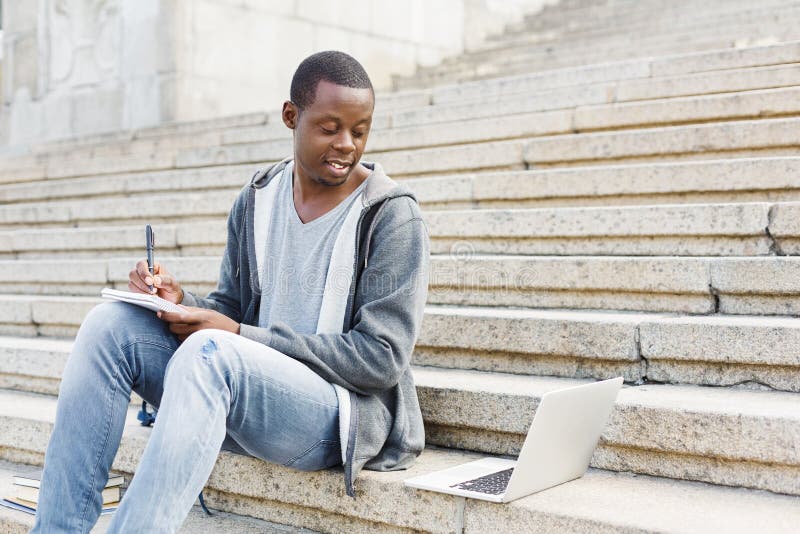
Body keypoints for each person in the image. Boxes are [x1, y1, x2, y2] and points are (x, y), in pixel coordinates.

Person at [30, 50, 430, 534]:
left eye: (360, 130)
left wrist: (238, 333)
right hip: (240, 389)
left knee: (212, 352)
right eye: (330, 127)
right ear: (291, 116)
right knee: (108, 326)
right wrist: (180, 304)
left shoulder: (390, 216)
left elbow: (380, 358)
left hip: (331, 415)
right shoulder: (258, 197)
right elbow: (232, 309)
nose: (347, 144)